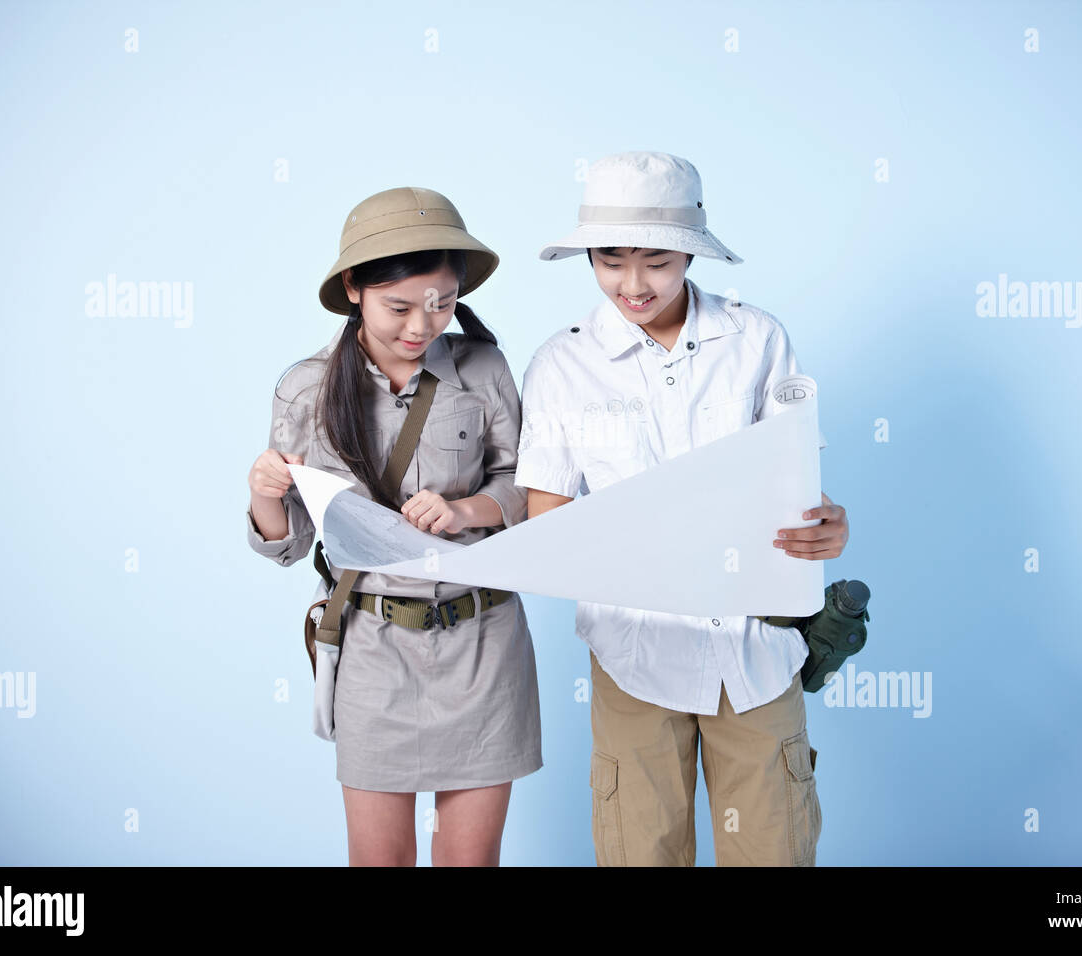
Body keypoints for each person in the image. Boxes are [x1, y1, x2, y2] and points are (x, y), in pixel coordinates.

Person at [515, 151, 850, 866]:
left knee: (774, 851)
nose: (633, 284)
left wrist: (827, 525)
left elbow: (795, 485)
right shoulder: (559, 366)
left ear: (691, 253)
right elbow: (547, 525)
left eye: (657, 262)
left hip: (756, 650)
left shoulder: (757, 339)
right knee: (642, 854)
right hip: (633, 654)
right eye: (611, 261)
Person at [246, 187, 542, 866]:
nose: (422, 325)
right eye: (399, 307)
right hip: (373, 645)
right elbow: (289, 542)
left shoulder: (483, 367)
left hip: (482, 641)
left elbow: (527, 486)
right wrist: (264, 493)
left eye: (442, 302)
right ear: (354, 288)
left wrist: (465, 511)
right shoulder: (306, 388)